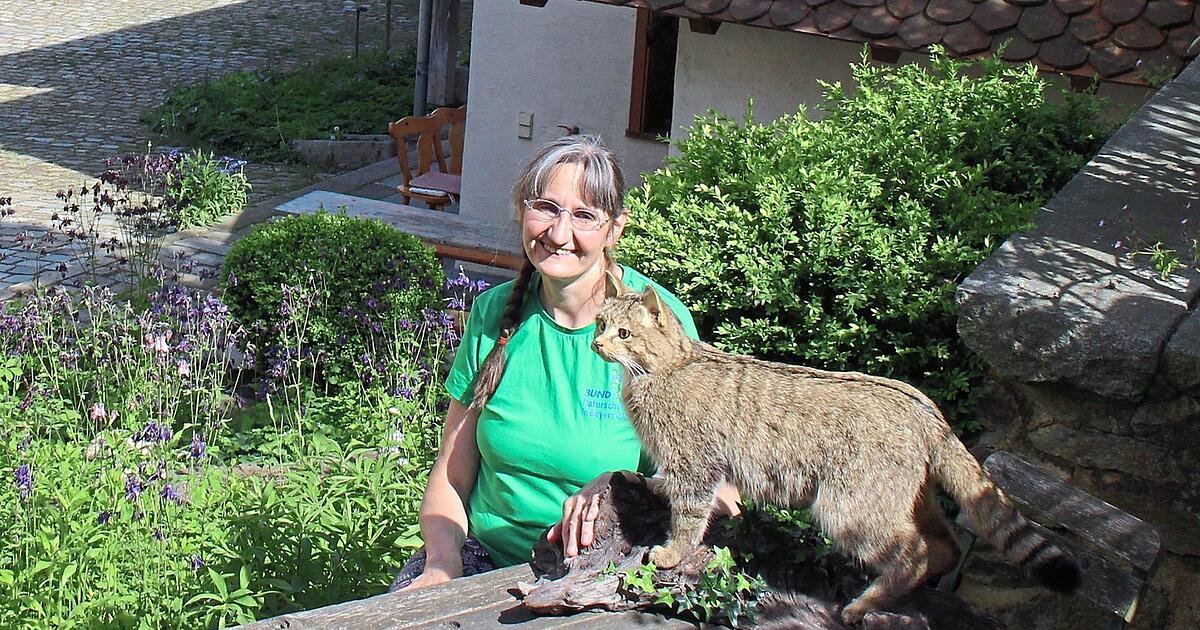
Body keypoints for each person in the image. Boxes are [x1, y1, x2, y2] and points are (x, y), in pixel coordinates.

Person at [390, 135, 741, 592]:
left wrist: (620, 484)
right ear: (522, 209)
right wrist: (442, 562)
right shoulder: (494, 315)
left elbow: (721, 492)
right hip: (484, 558)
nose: (558, 234)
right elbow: (452, 478)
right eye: (546, 207)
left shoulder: (658, 328)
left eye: (583, 216)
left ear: (615, 229)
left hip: (606, 570)